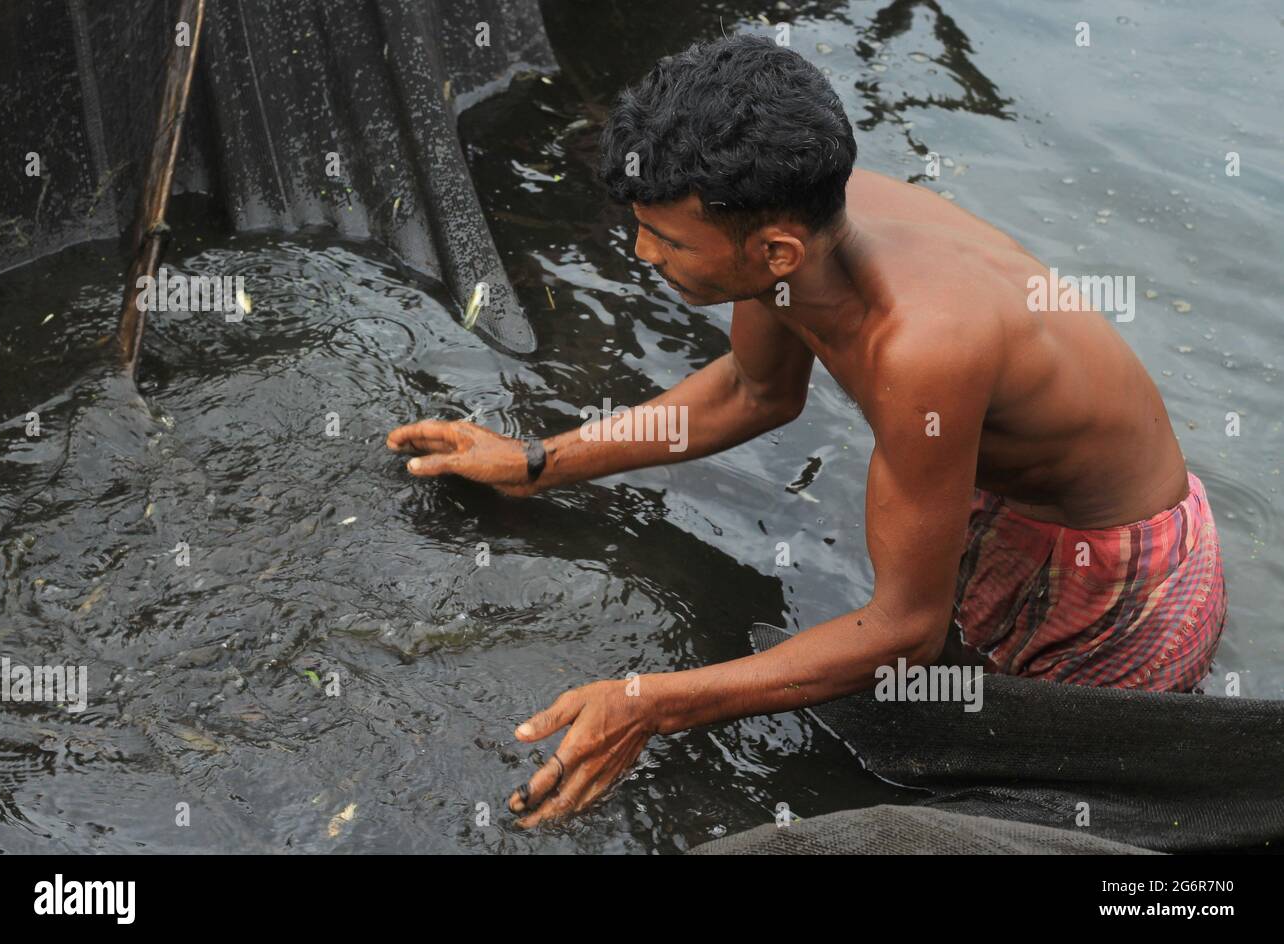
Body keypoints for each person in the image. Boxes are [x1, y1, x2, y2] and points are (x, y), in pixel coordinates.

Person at [386, 35, 1226, 827]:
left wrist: (652, 703)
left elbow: (904, 628)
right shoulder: (795, 219)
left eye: (667, 238)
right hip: (995, 488)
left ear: (777, 253)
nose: (642, 255)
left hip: (1116, 568)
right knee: (959, 700)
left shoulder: (922, 345)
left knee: (1055, 798)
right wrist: (536, 461)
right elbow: (754, 392)